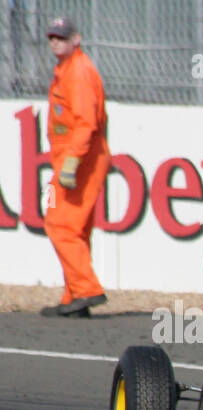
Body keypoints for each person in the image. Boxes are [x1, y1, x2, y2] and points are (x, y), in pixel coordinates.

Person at [40, 16, 111, 318]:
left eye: (62, 37)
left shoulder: (79, 72)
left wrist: (70, 164)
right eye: (53, 37)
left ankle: (86, 289)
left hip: (79, 162)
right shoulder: (66, 70)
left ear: (76, 39)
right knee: (75, 229)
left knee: (60, 224)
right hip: (73, 161)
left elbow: (86, 123)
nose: (56, 42)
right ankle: (74, 296)